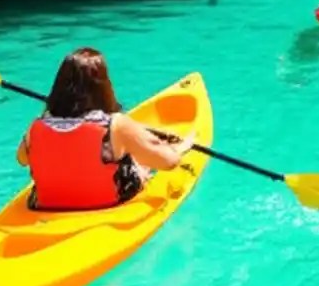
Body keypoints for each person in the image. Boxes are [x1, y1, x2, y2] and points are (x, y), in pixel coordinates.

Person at [16, 48, 195, 211]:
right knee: (139, 161)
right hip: (105, 203)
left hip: (46, 205)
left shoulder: (36, 126)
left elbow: (22, 159)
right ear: (102, 85)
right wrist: (180, 148)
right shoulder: (115, 125)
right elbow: (168, 162)